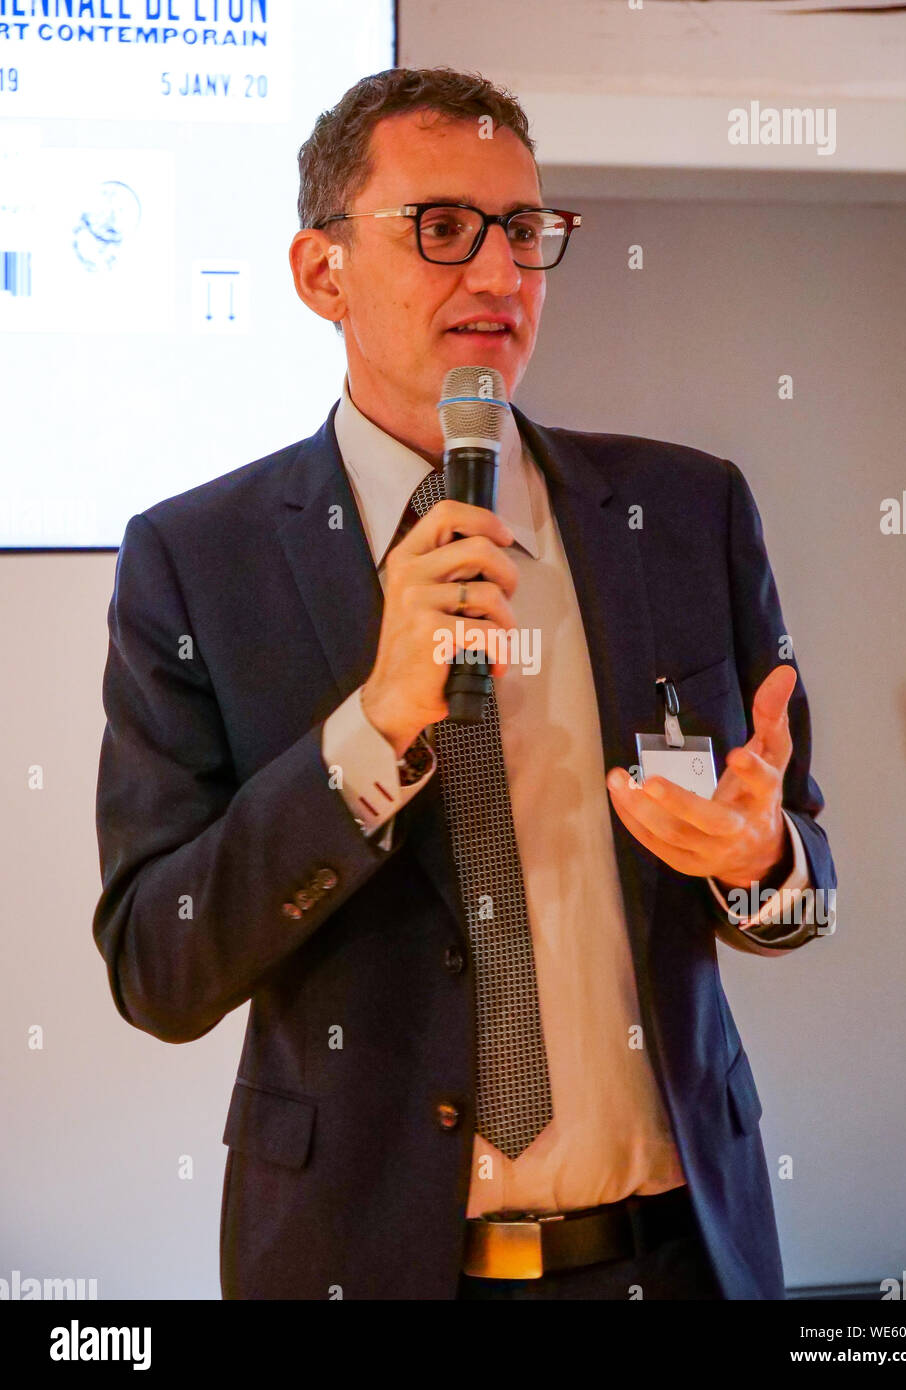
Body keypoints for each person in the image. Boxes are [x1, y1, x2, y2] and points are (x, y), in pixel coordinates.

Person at [92, 66, 836, 1301]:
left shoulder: (685, 512)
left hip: (676, 1253)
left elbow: (804, 887)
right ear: (320, 272)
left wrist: (765, 865)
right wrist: (370, 730)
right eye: (442, 229)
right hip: (361, 1262)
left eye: (525, 233)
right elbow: (155, 969)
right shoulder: (197, 562)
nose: (499, 275)